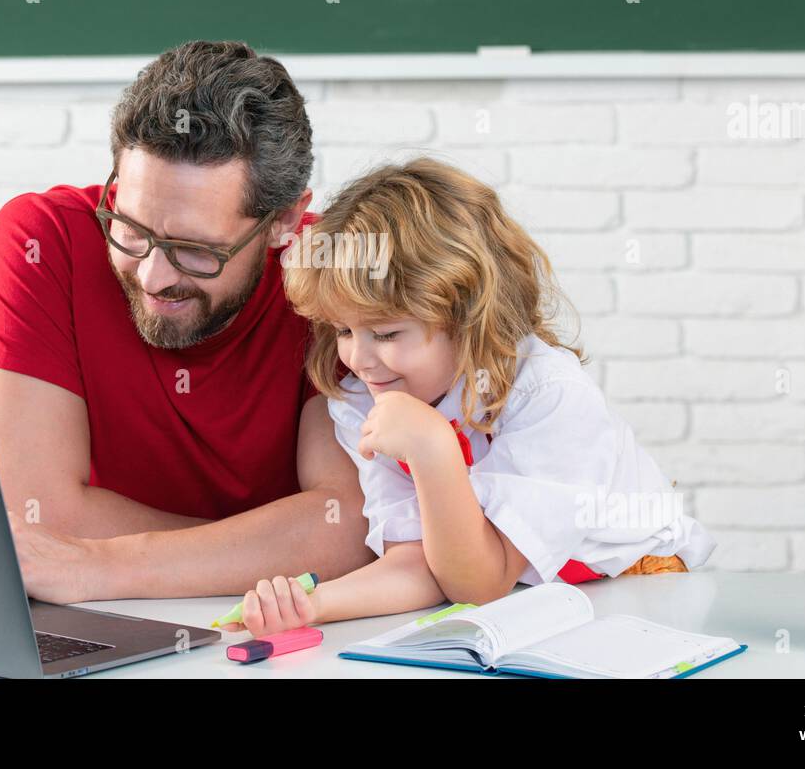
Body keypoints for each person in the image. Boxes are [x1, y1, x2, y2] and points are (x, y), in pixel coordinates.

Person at [220, 158, 716, 637]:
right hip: (535, 591)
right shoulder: (365, 403)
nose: (358, 358)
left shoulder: (548, 395)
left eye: (388, 334)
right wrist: (313, 604)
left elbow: (479, 583)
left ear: (468, 315)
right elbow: (419, 564)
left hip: (640, 583)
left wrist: (433, 448)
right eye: (343, 329)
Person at [0, 40, 374, 603]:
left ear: (284, 223)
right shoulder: (39, 241)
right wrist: (273, 548)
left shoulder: (331, 274)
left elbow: (352, 523)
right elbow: (27, 523)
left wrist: (97, 564)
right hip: (119, 617)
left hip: (266, 629)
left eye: (196, 251)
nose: (152, 276)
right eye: (130, 228)